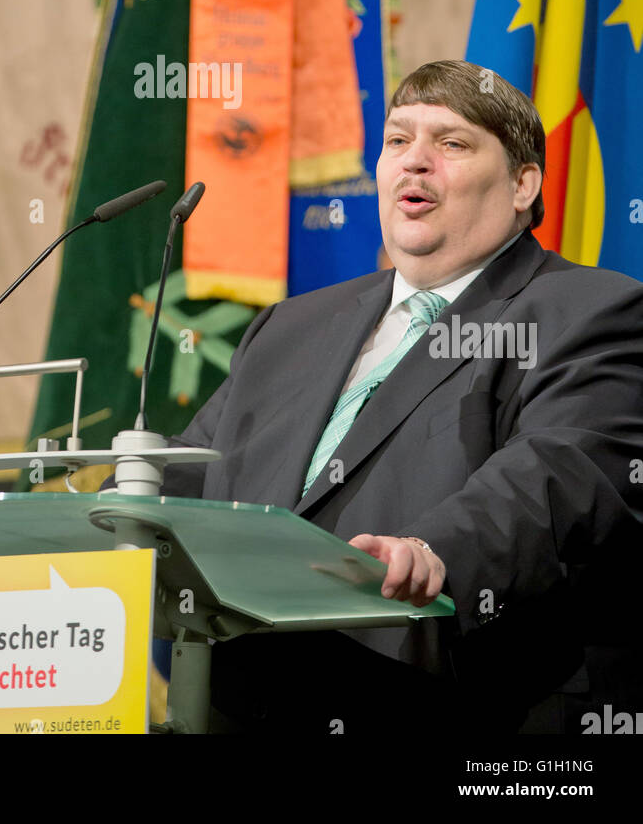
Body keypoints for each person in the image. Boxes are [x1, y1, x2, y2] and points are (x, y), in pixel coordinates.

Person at [160, 60, 643, 733]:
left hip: (452, 704)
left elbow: (556, 478)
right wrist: (112, 506)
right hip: (251, 702)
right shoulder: (290, 326)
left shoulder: (589, 311)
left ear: (523, 184)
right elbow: (194, 473)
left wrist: (435, 552)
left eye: (450, 144)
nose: (415, 162)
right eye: (397, 141)